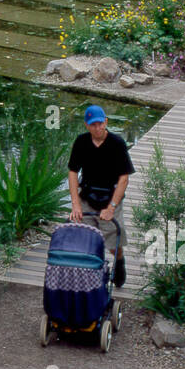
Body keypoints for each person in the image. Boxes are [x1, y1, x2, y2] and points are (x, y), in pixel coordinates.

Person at [67, 104, 135, 290]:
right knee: (87, 241)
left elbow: (124, 178)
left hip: (110, 198)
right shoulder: (81, 142)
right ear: (86, 125)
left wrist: (111, 207)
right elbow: (73, 172)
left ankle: (119, 260)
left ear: (106, 121)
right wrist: (76, 204)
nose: (97, 128)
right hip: (87, 197)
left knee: (112, 244)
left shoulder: (117, 143)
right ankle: (92, 277)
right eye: (93, 125)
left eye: (100, 124)